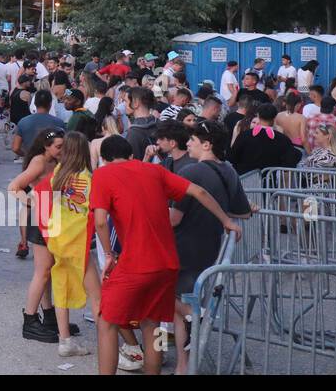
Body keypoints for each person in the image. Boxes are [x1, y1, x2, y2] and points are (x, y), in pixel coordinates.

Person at [92, 134, 242, 376]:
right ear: (131, 154)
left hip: (134, 263)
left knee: (107, 323)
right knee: (153, 326)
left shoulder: (103, 174)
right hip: (167, 263)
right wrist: (227, 221)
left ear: (105, 159)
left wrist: (108, 254)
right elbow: (199, 193)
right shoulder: (155, 171)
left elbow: (100, 221)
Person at [171, 120, 251, 374]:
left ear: (206, 145)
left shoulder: (190, 173)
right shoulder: (228, 170)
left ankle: (183, 365)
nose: (187, 144)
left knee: (174, 305)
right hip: (210, 247)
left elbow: (174, 218)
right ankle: (185, 364)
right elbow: (243, 212)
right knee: (180, 306)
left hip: (183, 247)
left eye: (192, 141)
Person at [43, 131, 99, 357]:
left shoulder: (58, 173)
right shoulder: (88, 178)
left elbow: (53, 207)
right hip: (79, 243)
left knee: (61, 288)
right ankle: (109, 341)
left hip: (59, 241)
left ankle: (64, 340)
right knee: (98, 297)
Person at [228, 104, 299, 176]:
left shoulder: (244, 135)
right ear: (274, 118)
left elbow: (232, 157)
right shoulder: (282, 139)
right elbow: (291, 161)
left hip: (246, 181)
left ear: (258, 116)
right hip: (269, 183)